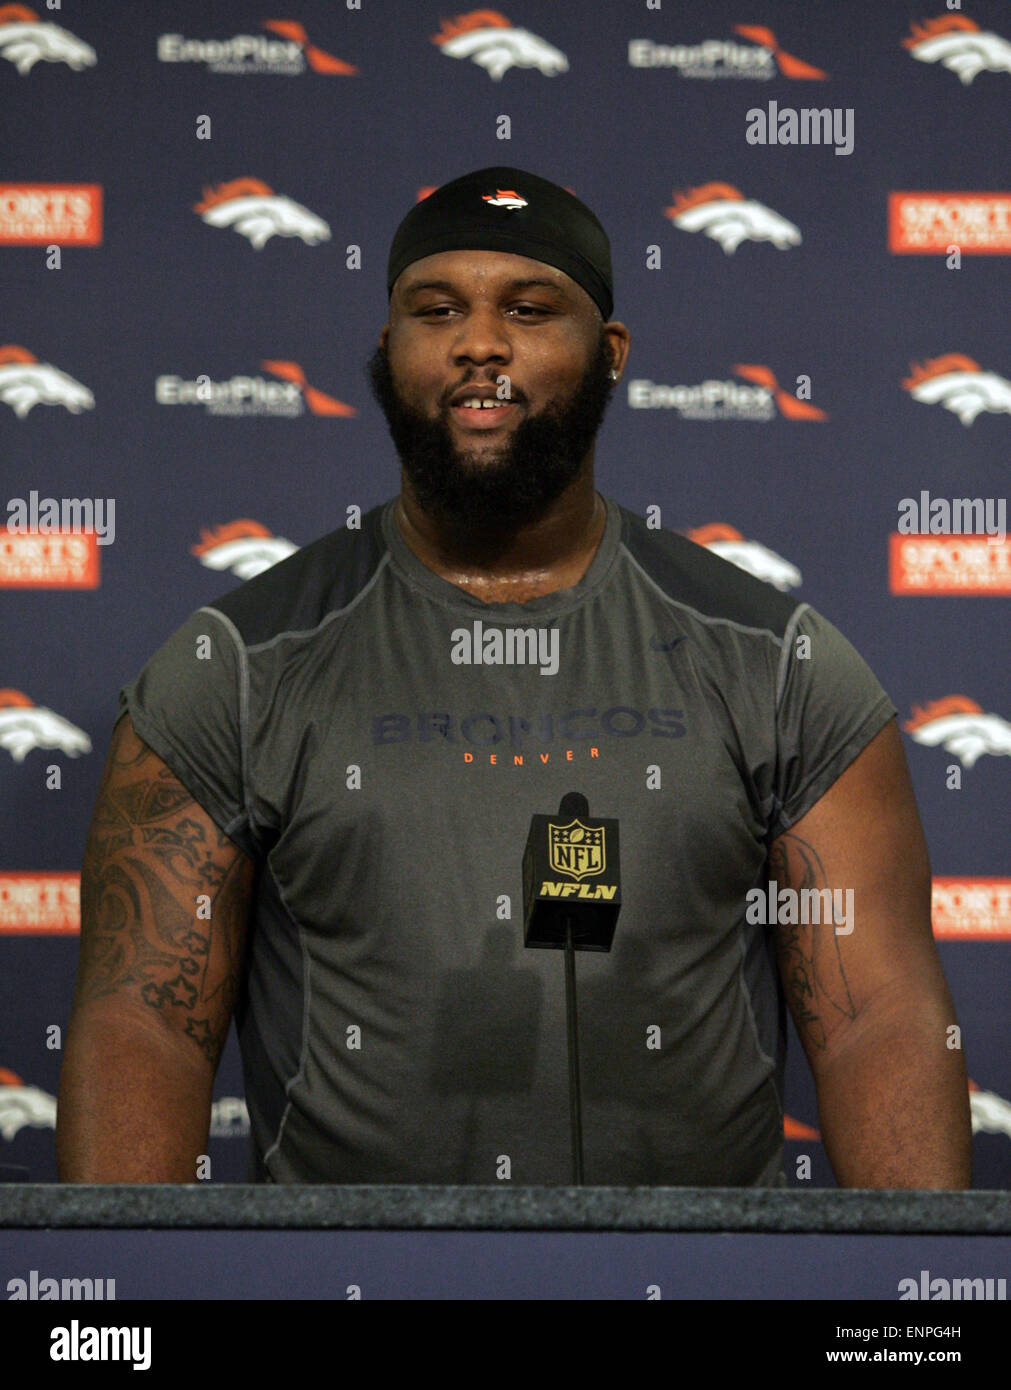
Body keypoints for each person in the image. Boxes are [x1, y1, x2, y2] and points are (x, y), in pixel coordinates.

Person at [57, 166, 972, 1187]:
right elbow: (145, 1022)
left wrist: (918, 1312)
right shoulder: (232, 668)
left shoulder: (777, 662)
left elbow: (875, 1019)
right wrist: (119, 1298)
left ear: (610, 353)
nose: (479, 342)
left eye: (529, 310)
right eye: (435, 309)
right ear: (387, 348)